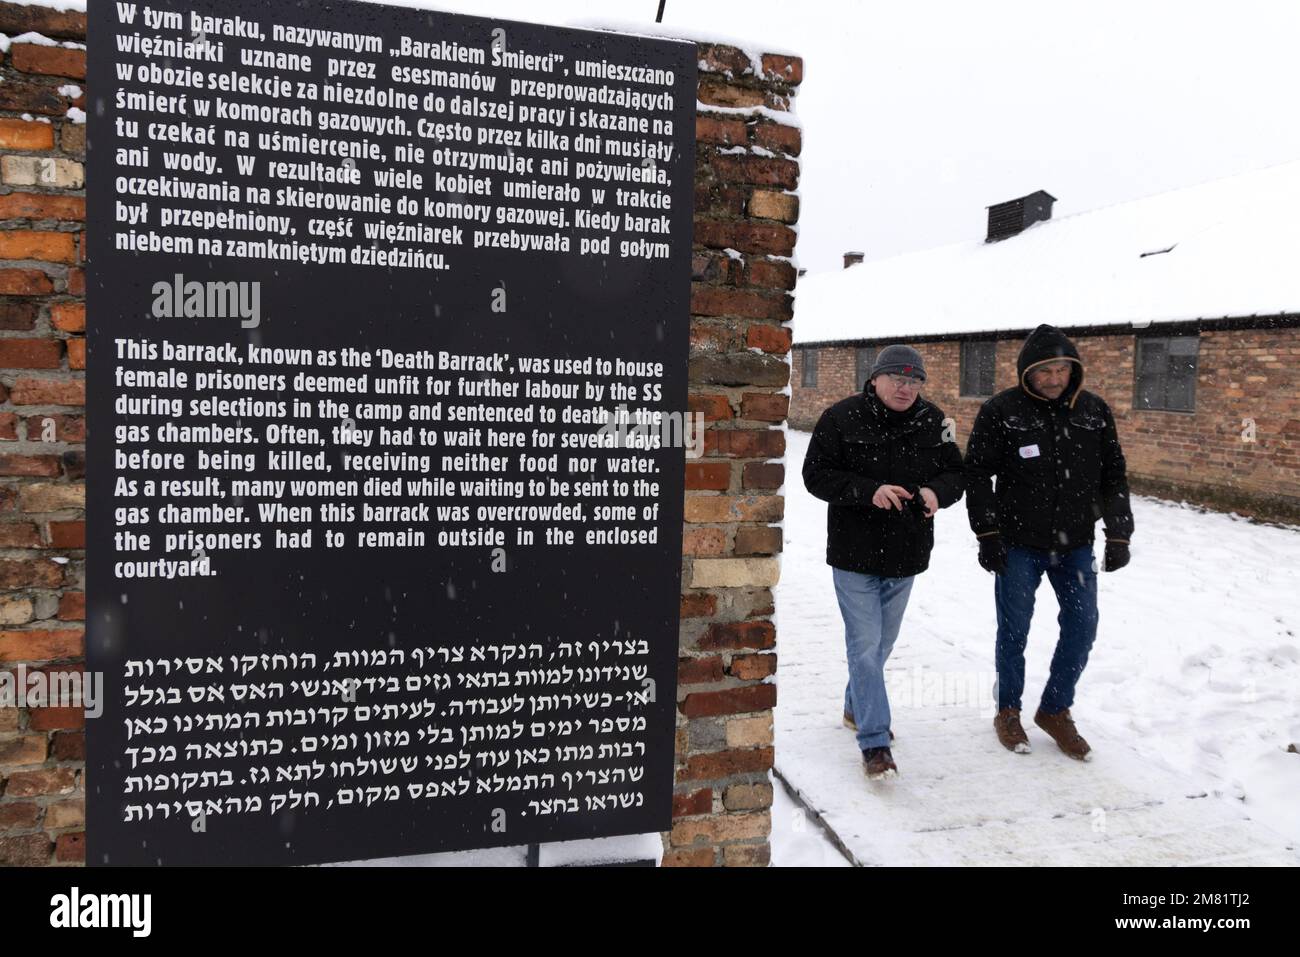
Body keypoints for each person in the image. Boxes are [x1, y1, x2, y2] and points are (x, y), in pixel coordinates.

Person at [964, 324, 1133, 761]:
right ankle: (1008, 710)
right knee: (1014, 630)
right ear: (1027, 372)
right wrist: (987, 534)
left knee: (1083, 626)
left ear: (1073, 369)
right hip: (1018, 544)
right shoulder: (1003, 411)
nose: (1055, 379)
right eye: (1045, 371)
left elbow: (1113, 474)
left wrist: (1119, 532)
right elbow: (977, 474)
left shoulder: (1093, 411)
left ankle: (1055, 709)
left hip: (1076, 544)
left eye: (1062, 370)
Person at [802, 345, 964, 780]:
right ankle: (874, 741)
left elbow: (956, 473)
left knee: (880, 645)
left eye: (914, 381)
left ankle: (855, 707)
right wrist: (867, 491)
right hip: (854, 553)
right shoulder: (841, 417)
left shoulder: (935, 421)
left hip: (907, 552)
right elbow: (815, 475)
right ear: (875, 379)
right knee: (865, 645)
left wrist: (936, 492)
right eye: (896, 378)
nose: (905, 388)